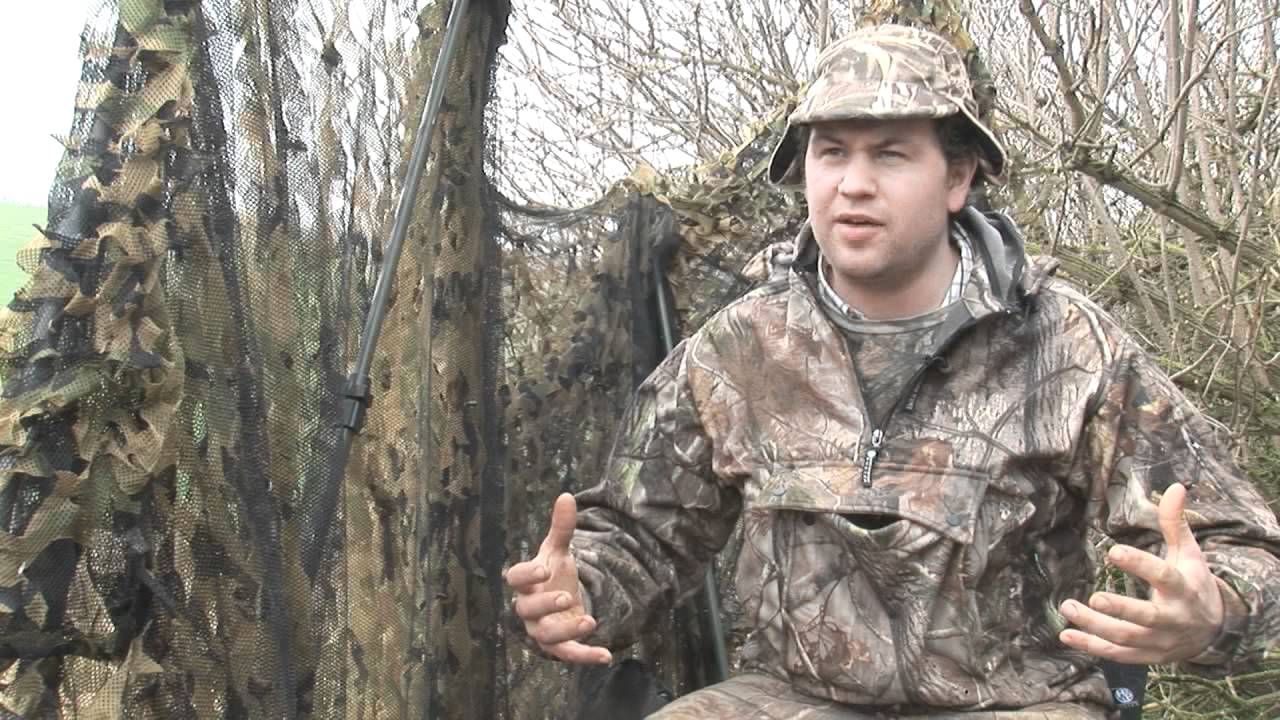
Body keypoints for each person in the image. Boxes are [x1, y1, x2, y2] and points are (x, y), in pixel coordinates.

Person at [505, 23, 1280, 719]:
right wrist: (584, 592)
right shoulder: (740, 349)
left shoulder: (1068, 345)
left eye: (891, 154)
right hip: (791, 699)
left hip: (1024, 704)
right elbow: (641, 536)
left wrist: (1212, 609)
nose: (853, 183)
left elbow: (1246, 552)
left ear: (957, 177)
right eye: (831, 151)